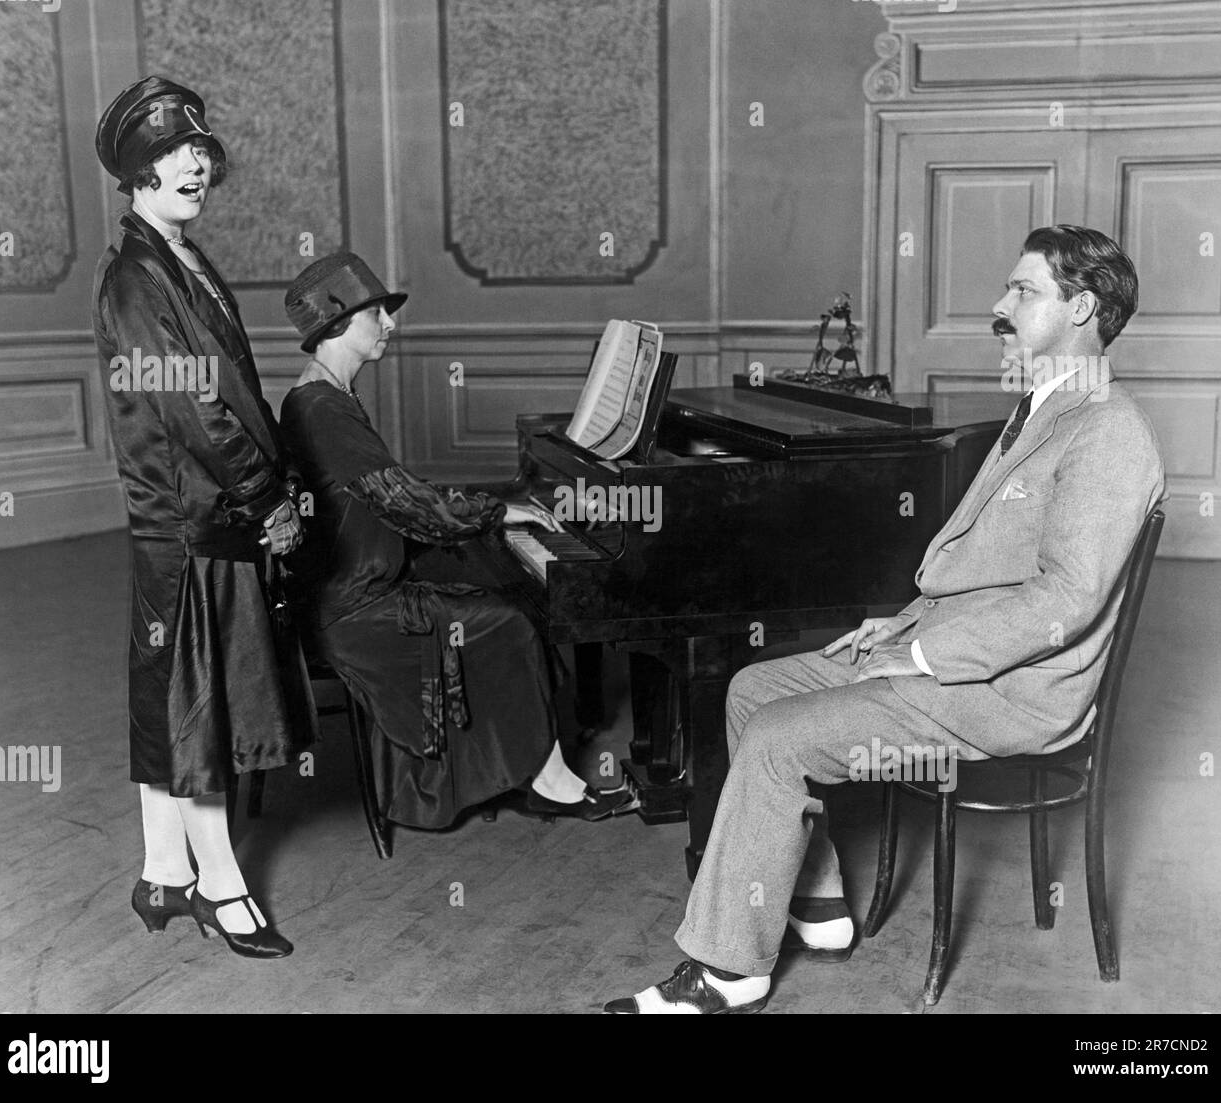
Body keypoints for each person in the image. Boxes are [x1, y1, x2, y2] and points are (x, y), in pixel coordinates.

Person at [605, 225, 1166, 1012]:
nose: (999, 306)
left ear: (1082, 309)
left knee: (778, 737)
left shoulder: (1107, 428)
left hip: (1017, 691)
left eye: (1022, 290)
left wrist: (927, 654)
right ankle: (818, 899)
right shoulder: (1046, 405)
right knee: (752, 690)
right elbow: (985, 571)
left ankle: (729, 971)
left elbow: (1063, 601)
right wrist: (902, 628)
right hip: (958, 653)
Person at [277, 252, 637, 829]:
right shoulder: (321, 408)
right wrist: (500, 510)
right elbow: (405, 502)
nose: (390, 324)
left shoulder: (324, 394)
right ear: (338, 323)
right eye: (377, 314)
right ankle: (550, 782)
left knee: (505, 586)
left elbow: (393, 493)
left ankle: (522, 757)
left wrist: (495, 511)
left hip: (359, 583)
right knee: (510, 622)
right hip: (355, 610)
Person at [91, 76, 309, 959]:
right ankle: (221, 886)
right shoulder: (136, 276)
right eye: (170, 152)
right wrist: (267, 495)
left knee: (172, 696)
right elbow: (194, 410)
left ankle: (161, 874)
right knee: (197, 710)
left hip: (202, 516)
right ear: (136, 171)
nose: (193, 165)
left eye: (200, 150)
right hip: (187, 523)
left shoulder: (180, 258)